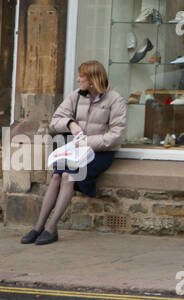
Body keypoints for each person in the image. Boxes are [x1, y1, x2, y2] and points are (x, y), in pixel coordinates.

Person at [21, 61, 126, 245]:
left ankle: (51, 228)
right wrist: (71, 123)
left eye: (82, 77)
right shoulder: (75, 96)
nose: (78, 80)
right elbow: (55, 122)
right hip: (76, 151)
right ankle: (38, 227)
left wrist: (87, 142)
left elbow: (116, 136)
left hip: (100, 152)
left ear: (93, 80)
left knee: (68, 177)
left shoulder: (115, 100)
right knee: (56, 176)